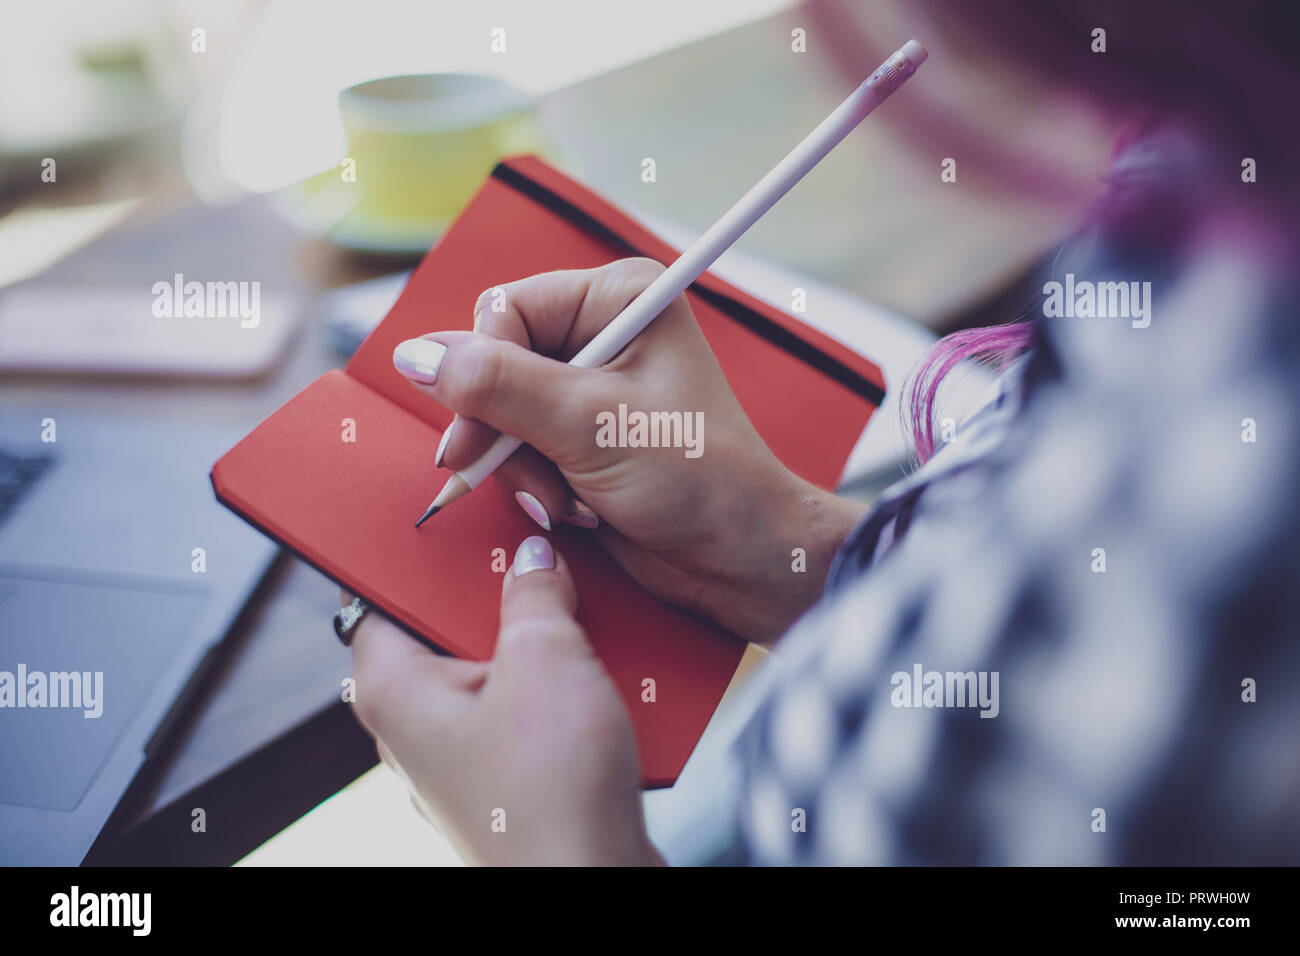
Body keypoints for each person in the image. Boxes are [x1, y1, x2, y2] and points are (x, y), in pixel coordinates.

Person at [347, 0, 1300, 865]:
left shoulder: (1247, 377)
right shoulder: (1203, 174)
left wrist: (557, 848)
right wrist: (774, 543)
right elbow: (1051, 622)